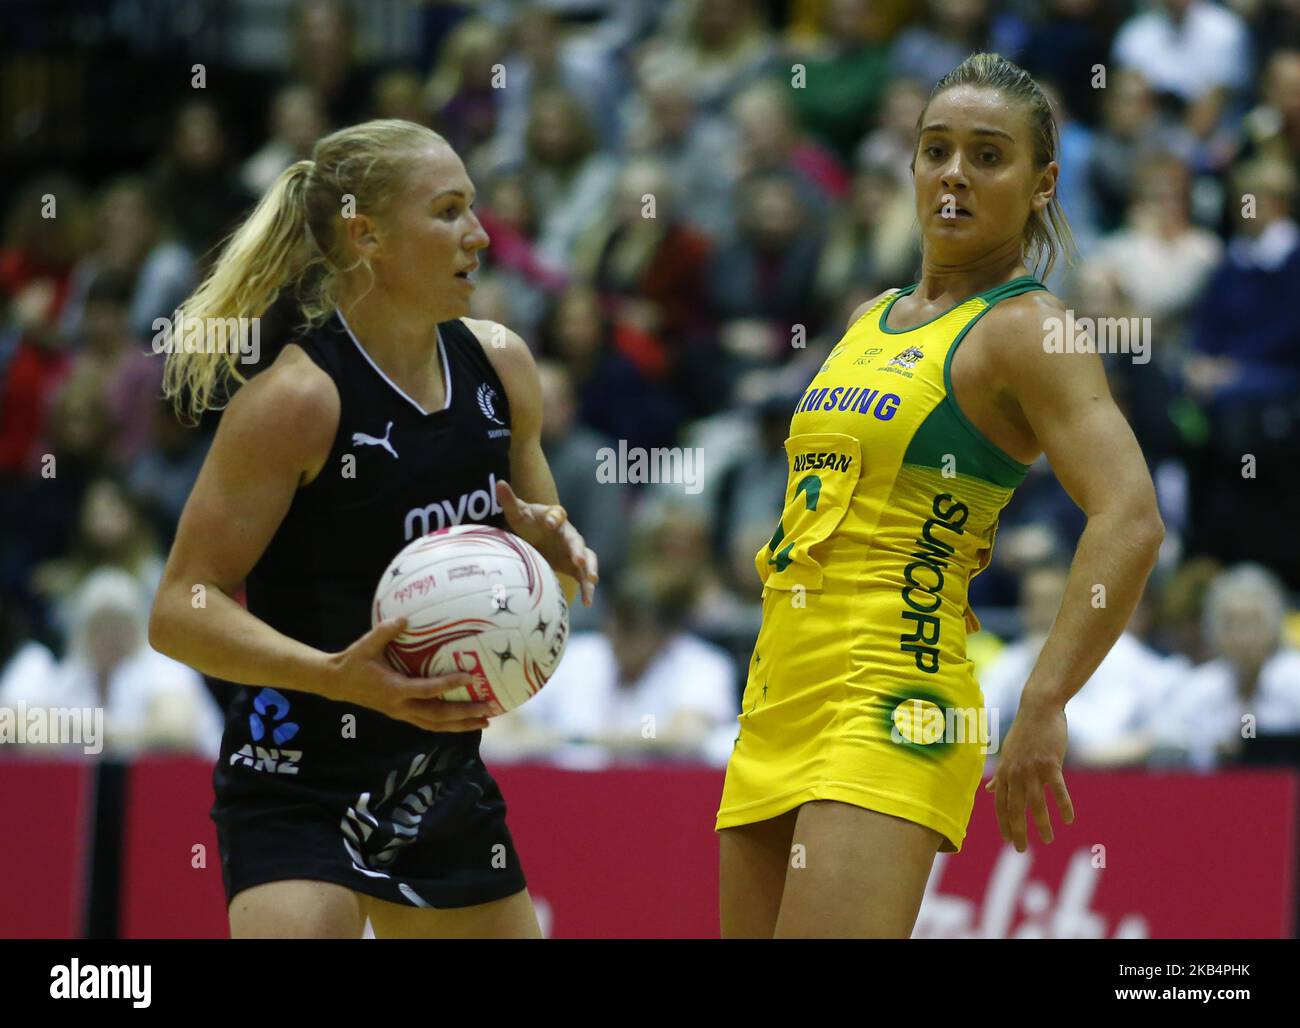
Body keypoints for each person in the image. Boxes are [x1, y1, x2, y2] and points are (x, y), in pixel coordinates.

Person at [715, 53, 1165, 938]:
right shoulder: (867, 317)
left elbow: (1133, 517)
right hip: (777, 695)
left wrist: (1044, 699)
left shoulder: (1027, 330)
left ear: (1042, 184)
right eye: (936, 150)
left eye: (987, 155)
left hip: (896, 694)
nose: (955, 173)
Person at [147, 119, 598, 939]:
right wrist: (334, 675)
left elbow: (554, 598)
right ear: (367, 236)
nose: (480, 234)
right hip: (296, 777)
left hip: (436, 776)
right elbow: (180, 609)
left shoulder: (501, 367)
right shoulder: (297, 401)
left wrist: (550, 556)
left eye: (475, 208)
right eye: (449, 210)